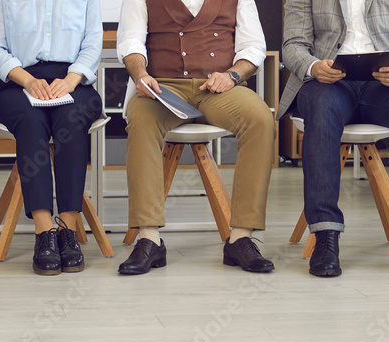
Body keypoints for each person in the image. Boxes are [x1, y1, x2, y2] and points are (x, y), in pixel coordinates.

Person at [278, 0, 389, 278]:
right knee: (322, 109)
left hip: (384, 85)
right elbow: (293, 44)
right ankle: (325, 235)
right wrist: (314, 66)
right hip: (328, 83)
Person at [115, 0, 276, 275]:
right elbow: (131, 40)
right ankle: (149, 238)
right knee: (141, 122)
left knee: (261, 120)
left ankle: (241, 237)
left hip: (219, 87)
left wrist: (232, 75)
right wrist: (141, 75)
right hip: (162, 86)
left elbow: (253, 47)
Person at [0, 0, 104, 275]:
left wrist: (71, 81)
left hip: (73, 80)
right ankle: (44, 232)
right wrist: (27, 81)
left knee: (71, 121)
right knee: (30, 121)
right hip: (19, 83)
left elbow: (92, 42)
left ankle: (67, 230)